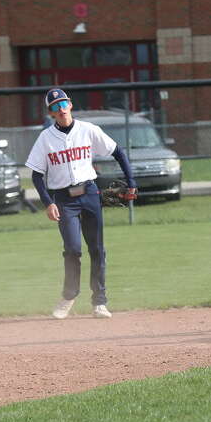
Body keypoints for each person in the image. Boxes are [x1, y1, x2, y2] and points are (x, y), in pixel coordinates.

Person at [25, 88, 137, 319]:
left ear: (71, 105)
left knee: (97, 249)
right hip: (64, 200)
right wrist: (48, 203)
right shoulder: (46, 138)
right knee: (73, 249)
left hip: (89, 193)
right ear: (51, 113)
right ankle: (68, 296)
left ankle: (99, 302)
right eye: (55, 106)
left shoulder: (88, 130)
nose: (61, 108)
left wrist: (131, 182)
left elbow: (118, 152)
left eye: (64, 103)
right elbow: (36, 174)